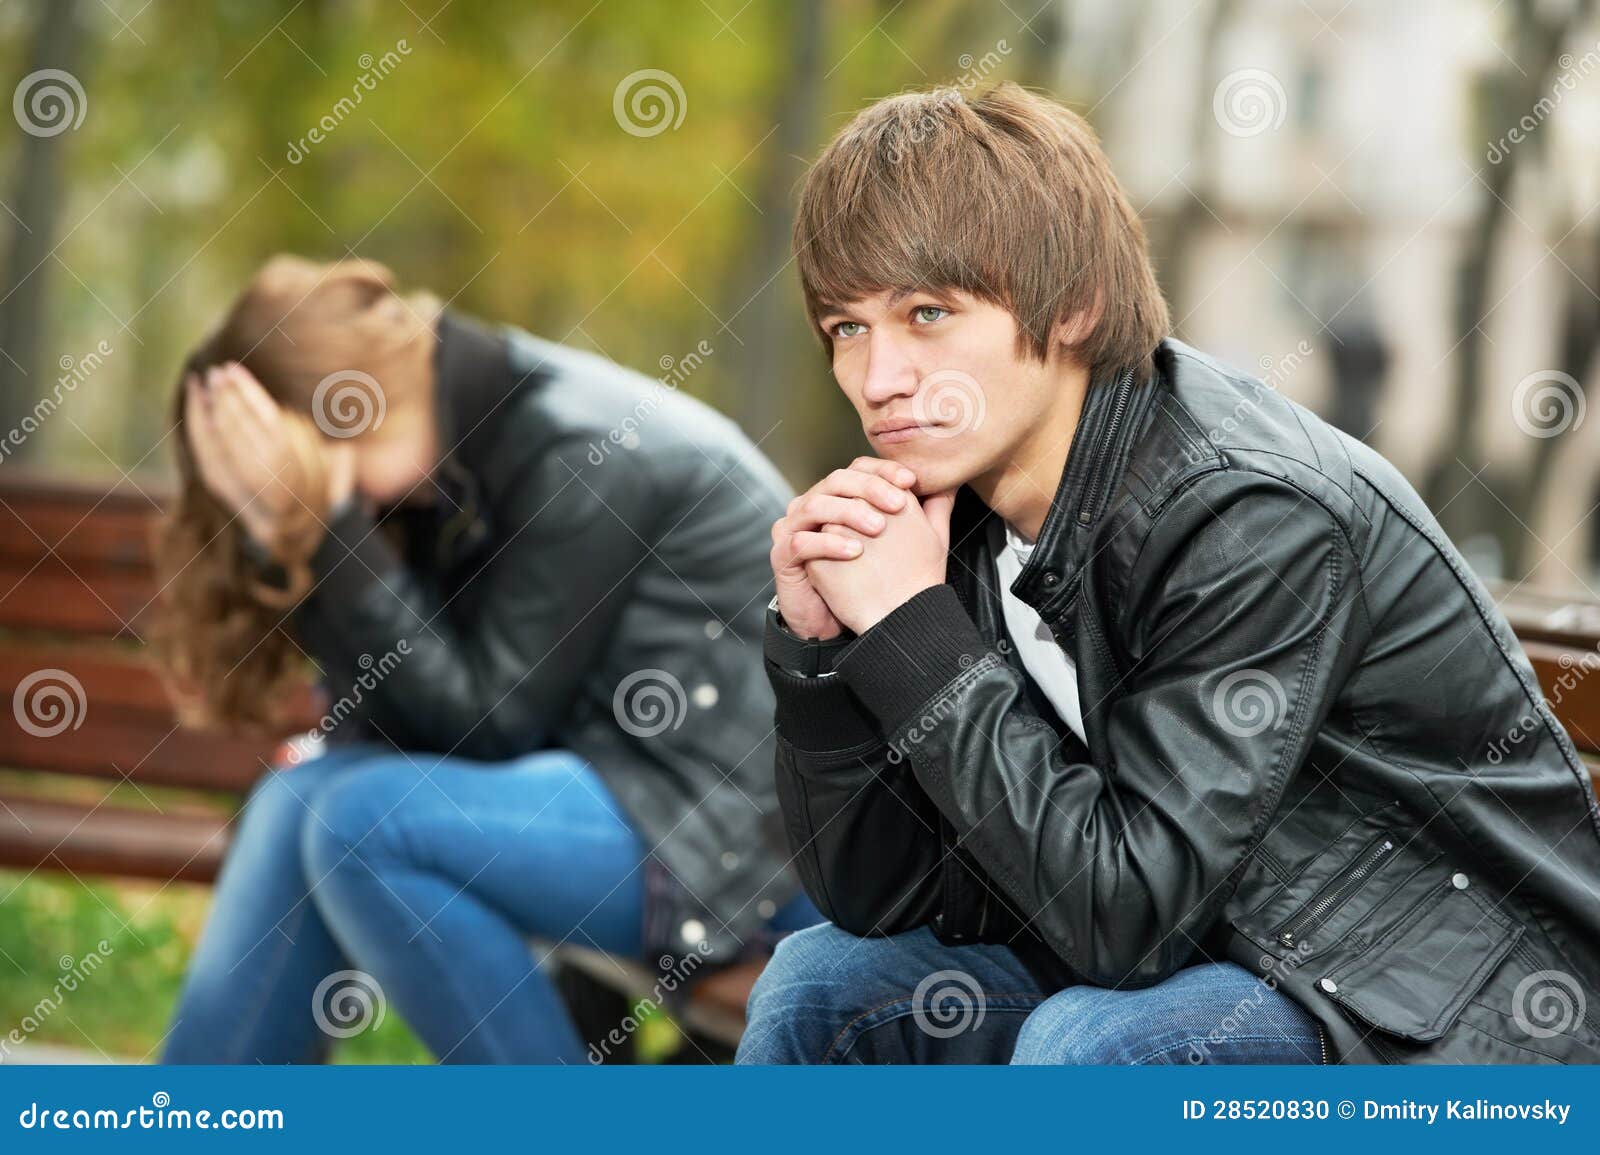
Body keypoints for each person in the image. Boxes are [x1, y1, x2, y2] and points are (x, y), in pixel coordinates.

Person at [738, 84, 1600, 1065]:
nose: (879, 378)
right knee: (819, 990)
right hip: (1217, 947)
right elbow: (880, 898)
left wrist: (911, 631)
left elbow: (1127, 923)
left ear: (1073, 306)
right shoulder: (958, 505)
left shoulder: (1245, 514)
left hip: (1451, 1019)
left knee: (1096, 1049)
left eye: (927, 313)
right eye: (848, 328)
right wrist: (816, 659)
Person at [154, 255, 817, 1063]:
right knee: (299, 799)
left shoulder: (579, 448)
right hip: (621, 788)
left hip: (730, 831)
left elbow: (486, 724)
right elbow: (412, 718)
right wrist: (317, 539)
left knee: (359, 827)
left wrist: (324, 527)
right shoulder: (451, 458)